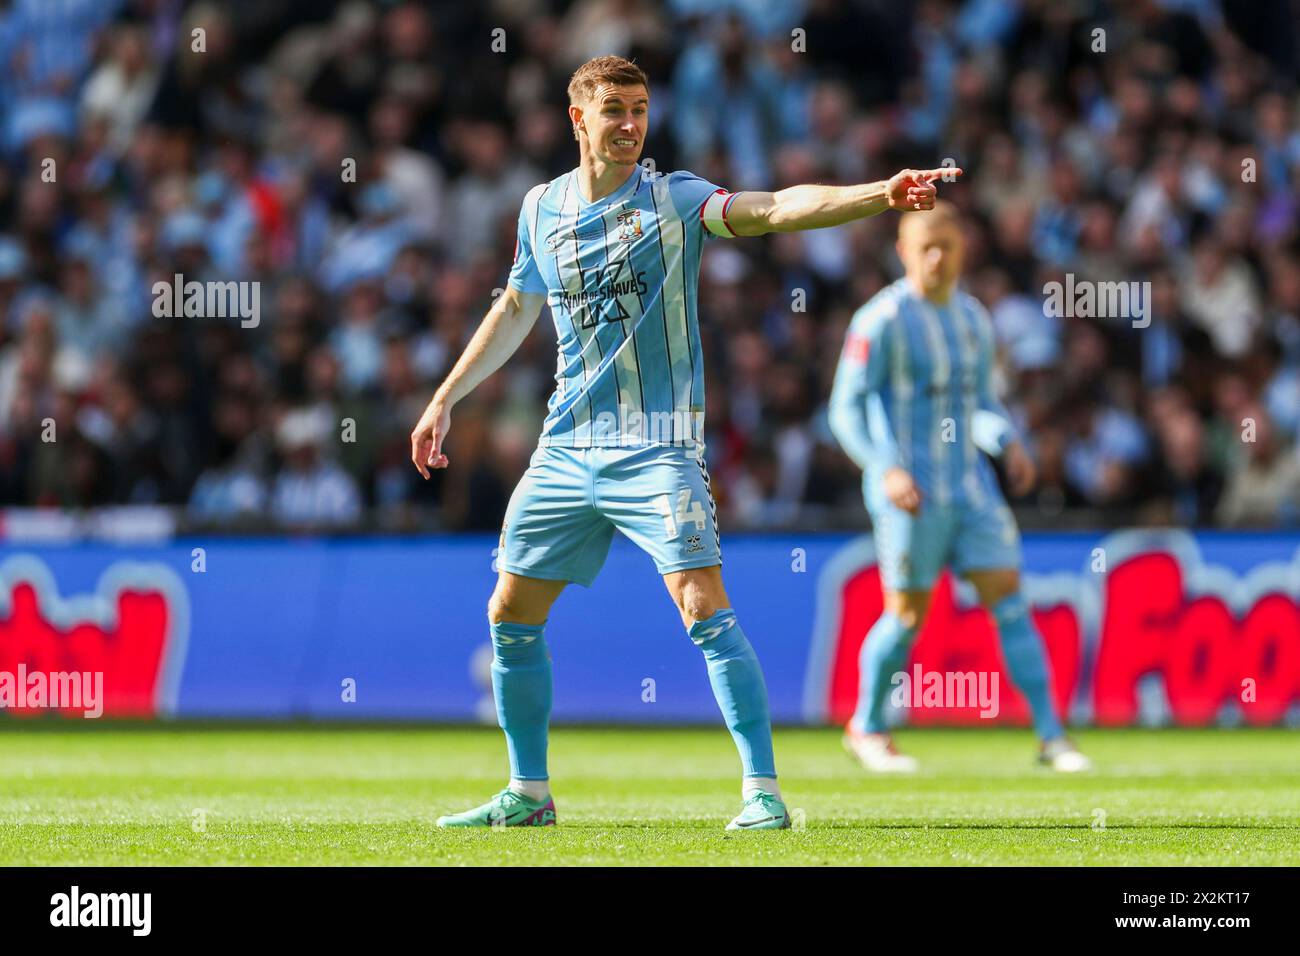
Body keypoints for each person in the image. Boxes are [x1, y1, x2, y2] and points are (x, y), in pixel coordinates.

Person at [410, 55, 961, 828]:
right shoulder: (540, 207)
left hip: (658, 447)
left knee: (704, 608)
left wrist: (879, 194)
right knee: (509, 612)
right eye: (614, 109)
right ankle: (529, 794)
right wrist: (445, 397)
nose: (630, 124)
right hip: (566, 445)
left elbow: (775, 209)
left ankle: (764, 793)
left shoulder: (674, 200)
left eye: (640, 109)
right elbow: (514, 308)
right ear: (578, 118)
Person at [828, 201, 1090, 774]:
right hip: (910, 492)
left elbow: (981, 404)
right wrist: (884, 467)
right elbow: (844, 409)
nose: (937, 258)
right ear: (903, 252)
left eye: (946, 246)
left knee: (1011, 603)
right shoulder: (881, 320)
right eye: (925, 247)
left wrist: (1007, 441)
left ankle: (1052, 736)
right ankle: (867, 728)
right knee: (906, 616)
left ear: (962, 250)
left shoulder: (972, 319)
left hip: (969, 488)